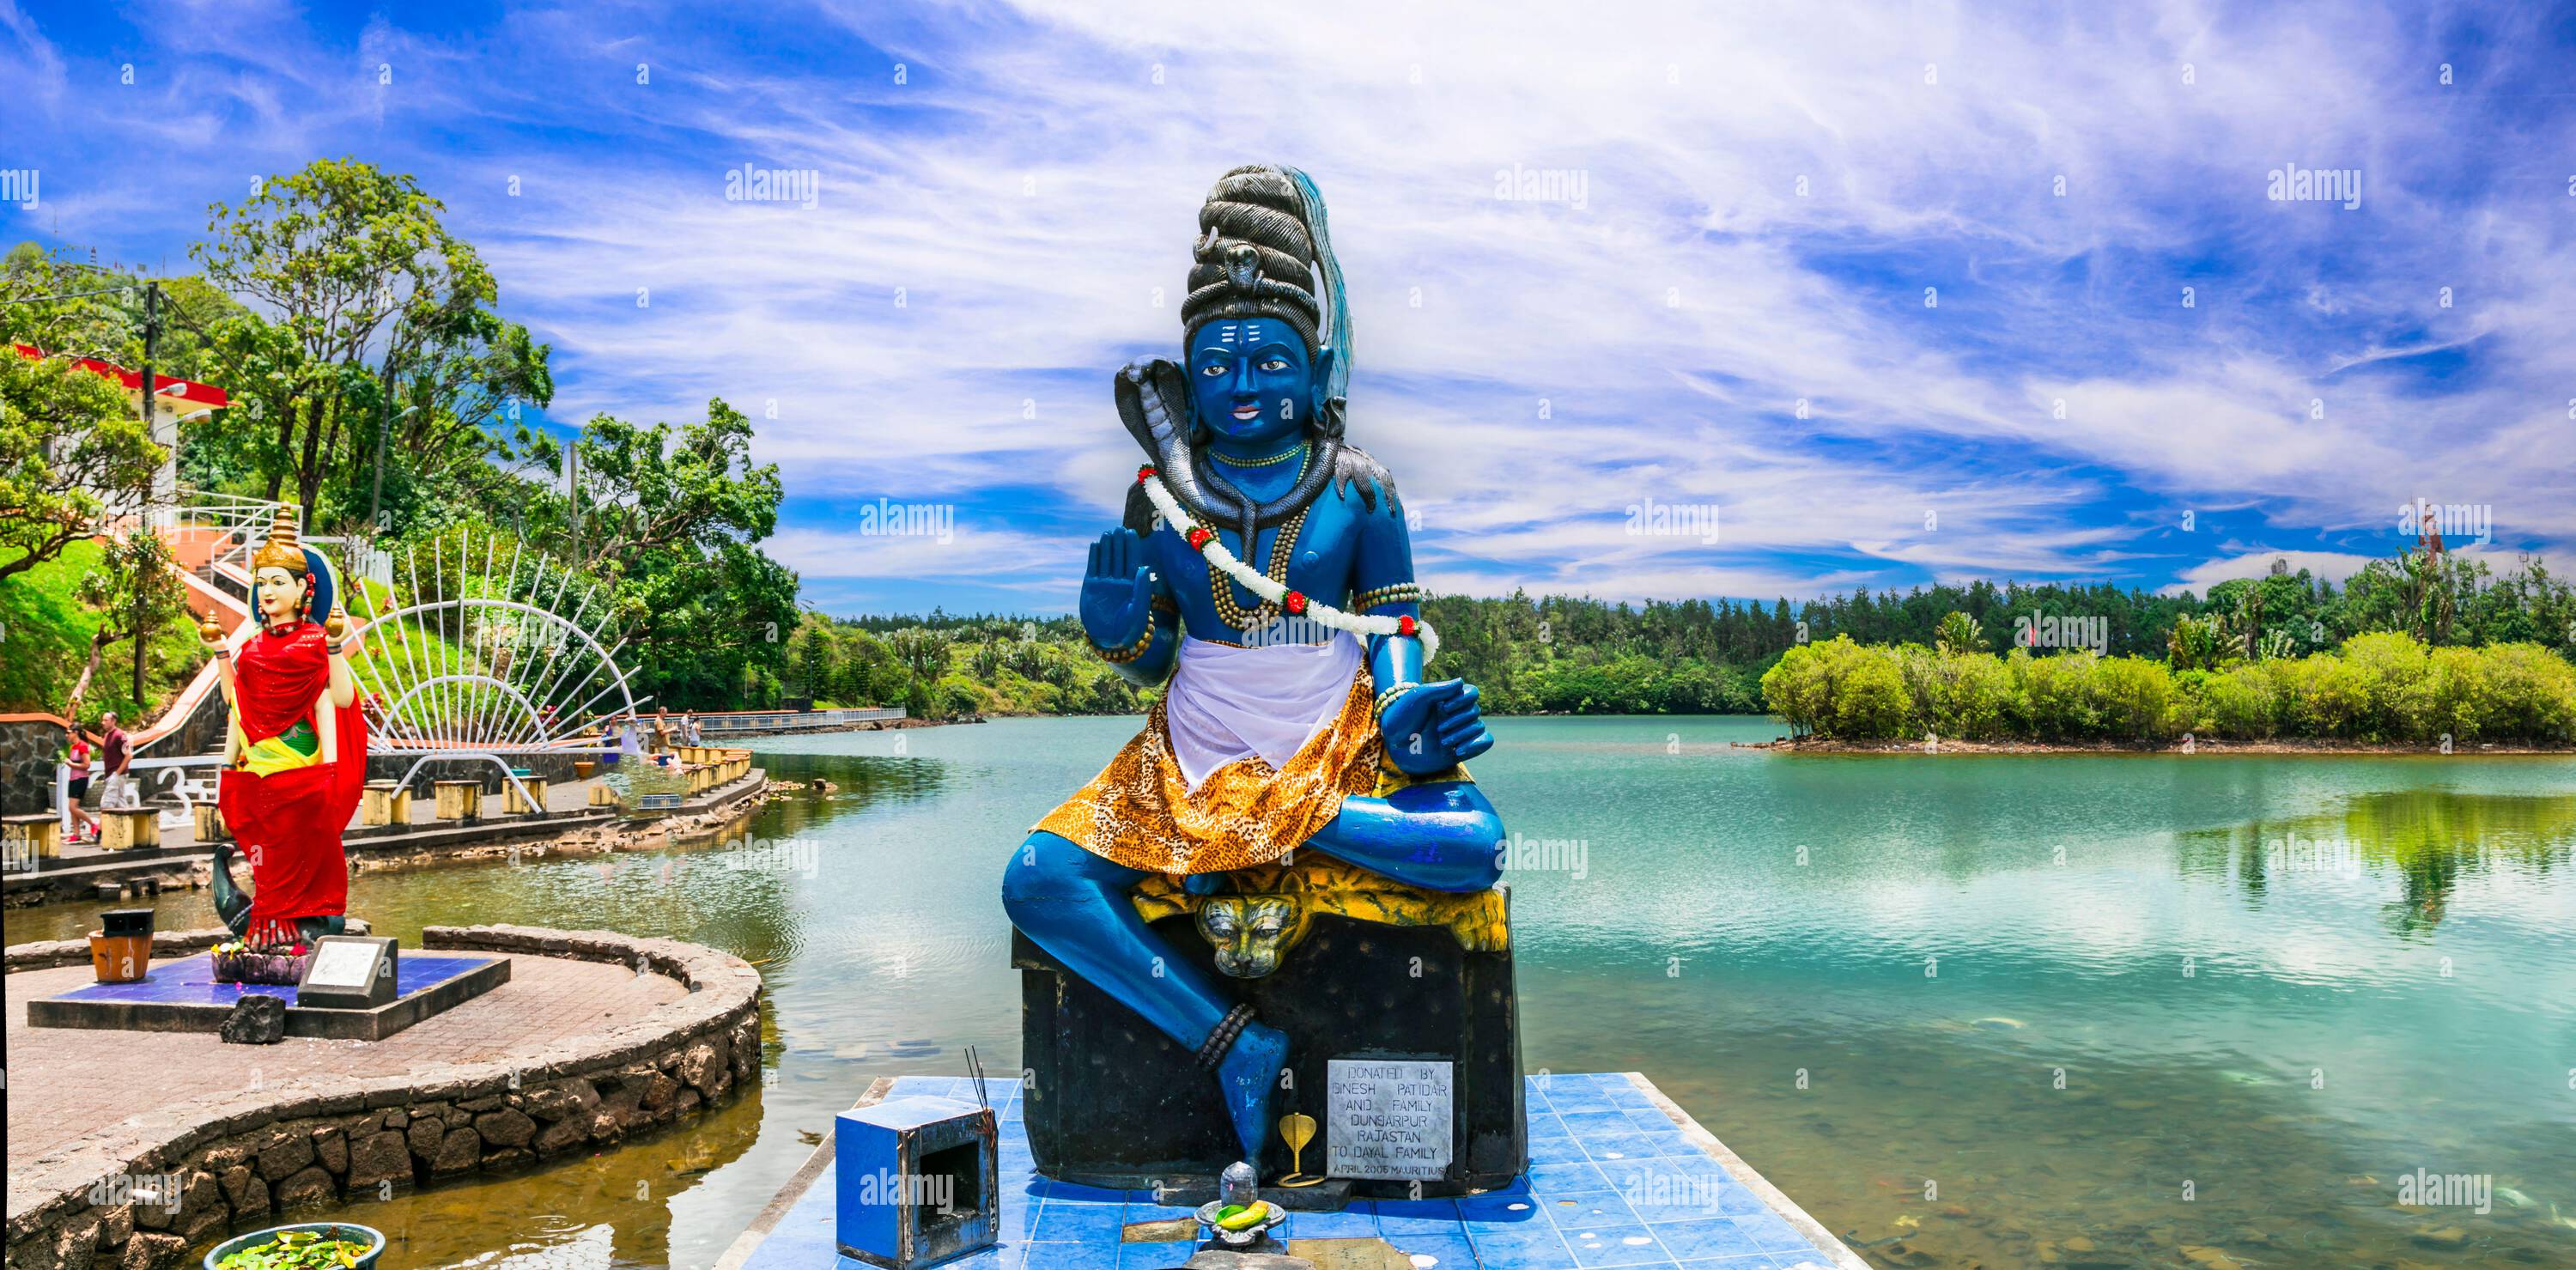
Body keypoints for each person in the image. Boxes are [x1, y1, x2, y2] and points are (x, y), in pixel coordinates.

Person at [1001, 166, 1502, 1165]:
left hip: (1334, 731)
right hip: (1195, 744)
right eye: (1219, 365)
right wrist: (1118, 632)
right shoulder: (1162, 500)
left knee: (1473, 848)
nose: (1244, 385)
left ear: (1318, 378)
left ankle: (1294, 817)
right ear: (1188, 379)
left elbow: (1393, 628)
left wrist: (1404, 714)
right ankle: (1228, 1039)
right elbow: (1156, 662)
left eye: (1272, 362)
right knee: (1038, 877)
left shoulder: (1360, 492)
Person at [63, 723, 99, 843]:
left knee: (72, 807)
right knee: (72, 809)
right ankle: (76, 834)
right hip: (73, 779)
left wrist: (71, 764)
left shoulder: (83, 746)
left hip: (81, 779)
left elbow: (86, 765)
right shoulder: (73, 747)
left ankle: (94, 824)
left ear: (76, 732)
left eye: (68, 732)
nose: (66, 735)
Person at [98, 712, 132, 810]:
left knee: (106, 804)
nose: (103, 723)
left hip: (117, 773)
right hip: (110, 773)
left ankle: (106, 825)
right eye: (102, 720)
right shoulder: (107, 736)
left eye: (106, 720)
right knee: (120, 803)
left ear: (113, 721)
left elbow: (129, 755)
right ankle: (128, 824)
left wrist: (117, 773)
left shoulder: (119, 735)